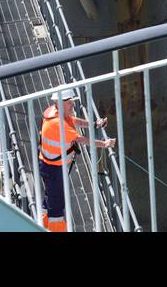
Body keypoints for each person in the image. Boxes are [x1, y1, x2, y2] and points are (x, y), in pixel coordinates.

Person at [37, 88, 114, 232]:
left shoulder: (56, 113)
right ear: (60, 103)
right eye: (70, 103)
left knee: (50, 196)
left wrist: (94, 124)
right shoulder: (58, 123)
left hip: (49, 166)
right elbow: (81, 139)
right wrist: (104, 144)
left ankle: (41, 224)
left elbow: (75, 121)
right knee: (57, 205)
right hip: (54, 169)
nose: (73, 105)